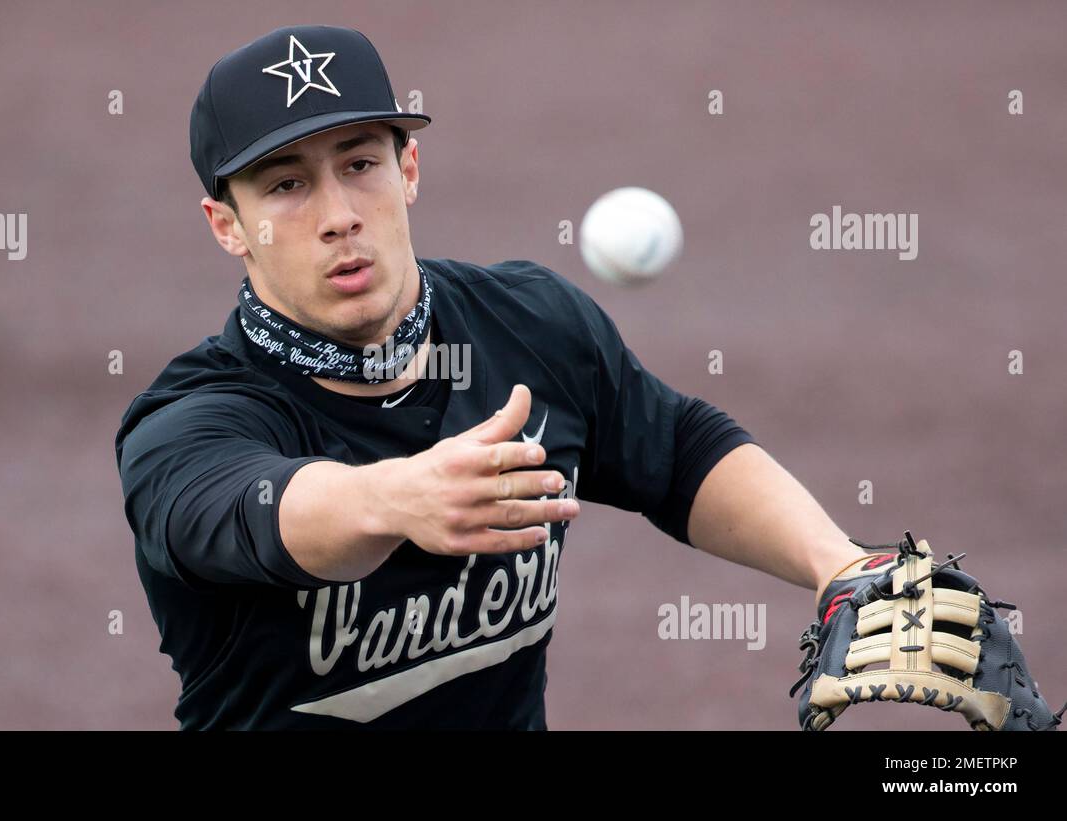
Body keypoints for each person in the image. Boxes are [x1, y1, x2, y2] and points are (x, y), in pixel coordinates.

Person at [114, 23, 868, 729]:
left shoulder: (528, 325)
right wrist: (396, 498)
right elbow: (250, 511)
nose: (340, 213)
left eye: (360, 163)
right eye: (286, 185)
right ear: (227, 225)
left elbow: (677, 451)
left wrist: (839, 565)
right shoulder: (186, 427)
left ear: (408, 169)